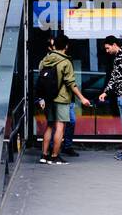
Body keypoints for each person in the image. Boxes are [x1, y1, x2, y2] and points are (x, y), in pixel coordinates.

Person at [37, 34, 91, 166]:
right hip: (61, 99)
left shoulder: (46, 59)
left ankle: (44, 156)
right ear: (66, 46)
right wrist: (82, 98)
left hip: (49, 98)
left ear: (54, 45)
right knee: (60, 126)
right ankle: (54, 156)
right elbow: (71, 83)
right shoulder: (66, 62)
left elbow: (40, 73)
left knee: (49, 126)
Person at [98, 36, 122, 161]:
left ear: (114, 44)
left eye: (107, 48)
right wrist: (106, 92)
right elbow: (115, 77)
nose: (107, 51)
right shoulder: (120, 57)